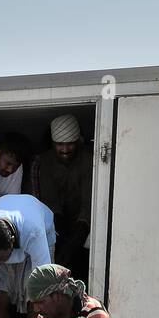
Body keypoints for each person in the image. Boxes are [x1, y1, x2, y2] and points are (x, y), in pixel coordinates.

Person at [33, 114, 93, 280]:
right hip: (56, 226)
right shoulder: (43, 162)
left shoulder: (90, 160)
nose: (65, 149)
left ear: (78, 141)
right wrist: (64, 245)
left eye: (70, 144)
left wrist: (74, 242)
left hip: (84, 228)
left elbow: (90, 204)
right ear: (52, 143)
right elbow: (48, 203)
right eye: (60, 144)